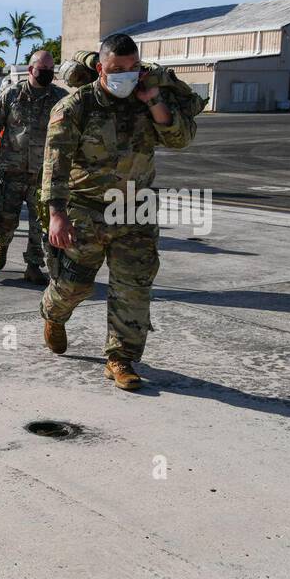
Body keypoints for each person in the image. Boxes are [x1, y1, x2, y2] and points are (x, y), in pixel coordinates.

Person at [40, 32, 197, 390]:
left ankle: (120, 358)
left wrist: (153, 100)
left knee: (134, 287)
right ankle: (54, 313)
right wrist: (56, 213)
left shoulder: (147, 100)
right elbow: (55, 162)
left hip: (136, 209)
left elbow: (181, 139)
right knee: (74, 285)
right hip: (87, 208)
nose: (126, 74)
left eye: (133, 68)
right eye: (117, 69)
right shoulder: (76, 106)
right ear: (100, 68)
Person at [0, 50, 65, 284]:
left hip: (43, 174)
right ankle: (2, 243)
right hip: (11, 171)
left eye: (50, 71)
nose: (47, 74)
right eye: (43, 70)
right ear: (31, 69)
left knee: (40, 224)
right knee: (6, 219)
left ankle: (33, 265)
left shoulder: (59, 98)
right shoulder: (11, 95)